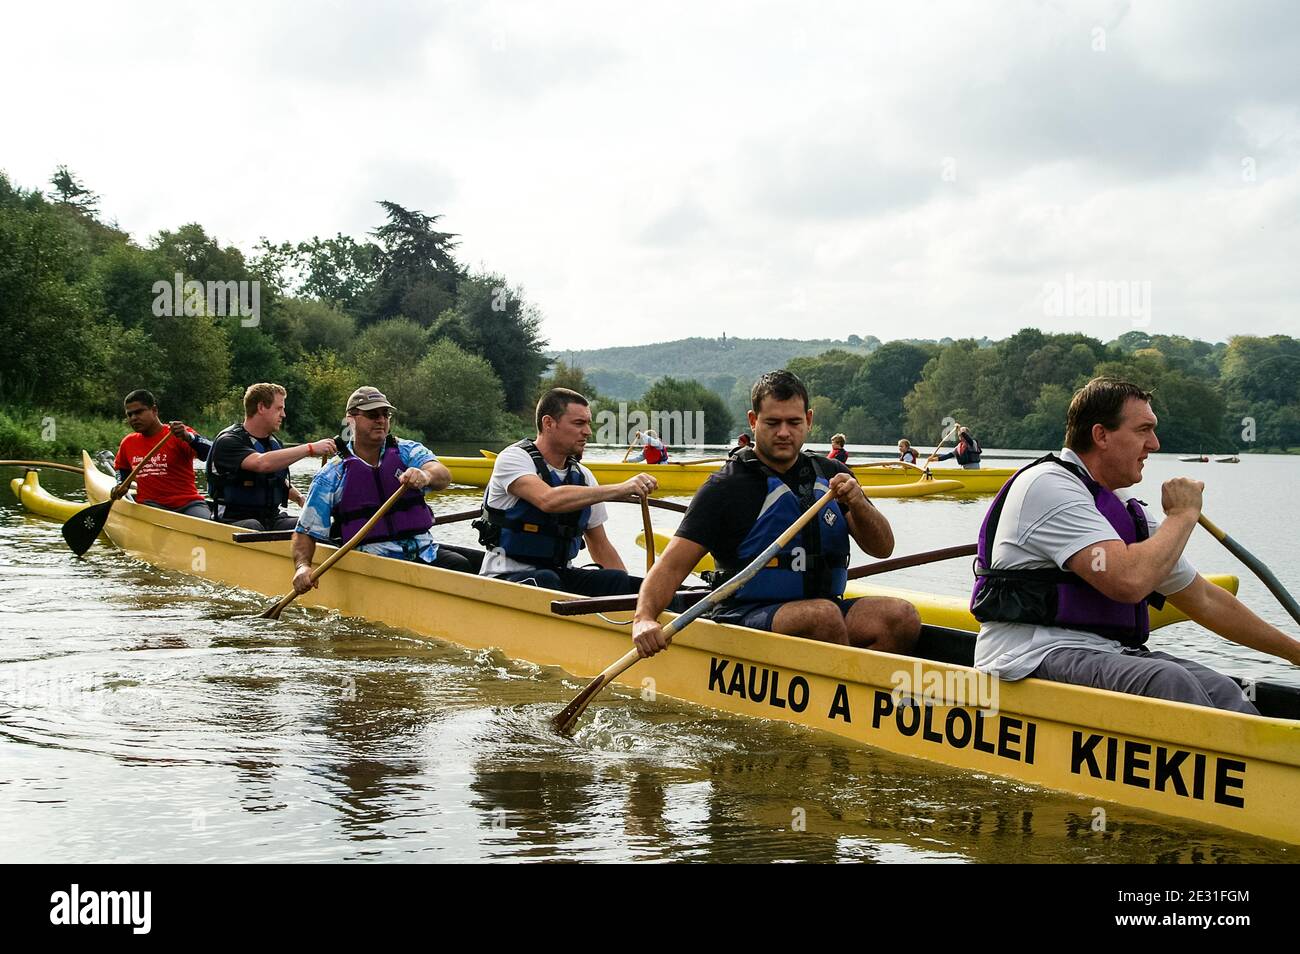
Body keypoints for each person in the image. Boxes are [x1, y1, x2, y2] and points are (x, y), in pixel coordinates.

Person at [971, 377, 1300, 714]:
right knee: (1170, 681)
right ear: (1101, 435)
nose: (1154, 444)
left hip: (1105, 652)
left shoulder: (1125, 506)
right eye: (1143, 430)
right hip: (1028, 657)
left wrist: (1294, 651)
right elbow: (1127, 581)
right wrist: (1182, 515)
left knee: (1223, 690)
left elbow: (1202, 599)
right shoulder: (1048, 487)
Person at [631, 370, 921, 657]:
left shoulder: (833, 474)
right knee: (823, 617)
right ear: (753, 421)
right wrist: (643, 618)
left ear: (808, 420)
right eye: (773, 422)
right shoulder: (725, 487)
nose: (784, 432)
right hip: (745, 615)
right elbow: (671, 566)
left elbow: (883, 548)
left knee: (900, 616)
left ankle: (861, 693)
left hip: (823, 608)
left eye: (793, 422)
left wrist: (858, 503)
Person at [290, 387, 479, 596]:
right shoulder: (332, 474)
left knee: (461, 566)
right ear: (351, 420)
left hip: (424, 553)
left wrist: (425, 476)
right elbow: (305, 532)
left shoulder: (408, 451)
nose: (380, 420)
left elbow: (442, 474)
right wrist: (302, 567)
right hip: (374, 565)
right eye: (372, 415)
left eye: (385, 414)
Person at [476, 387, 656, 597]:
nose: (588, 431)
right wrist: (618, 489)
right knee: (545, 579)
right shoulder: (513, 459)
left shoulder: (584, 477)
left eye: (588, 423)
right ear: (549, 423)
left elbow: (600, 546)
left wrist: (634, 598)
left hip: (558, 576)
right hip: (503, 579)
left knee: (615, 580)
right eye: (579, 423)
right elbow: (548, 500)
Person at [207, 383, 336, 531]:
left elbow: (277, 481)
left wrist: (300, 499)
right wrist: (310, 448)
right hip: (232, 520)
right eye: (279, 408)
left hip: (271, 518)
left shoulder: (274, 444)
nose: (283, 414)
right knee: (254, 528)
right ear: (261, 407)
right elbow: (261, 463)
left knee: (314, 526)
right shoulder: (228, 442)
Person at [113, 388, 213, 518]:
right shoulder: (128, 442)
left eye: (138, 412)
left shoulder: (178, 434)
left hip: (188, 504)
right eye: (129, 414)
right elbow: (122, 469)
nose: (134, 418)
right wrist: (121, 484)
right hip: (151, 505)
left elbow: (209, 454)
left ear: (154, 410)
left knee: (207, 524)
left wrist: (189, 437)